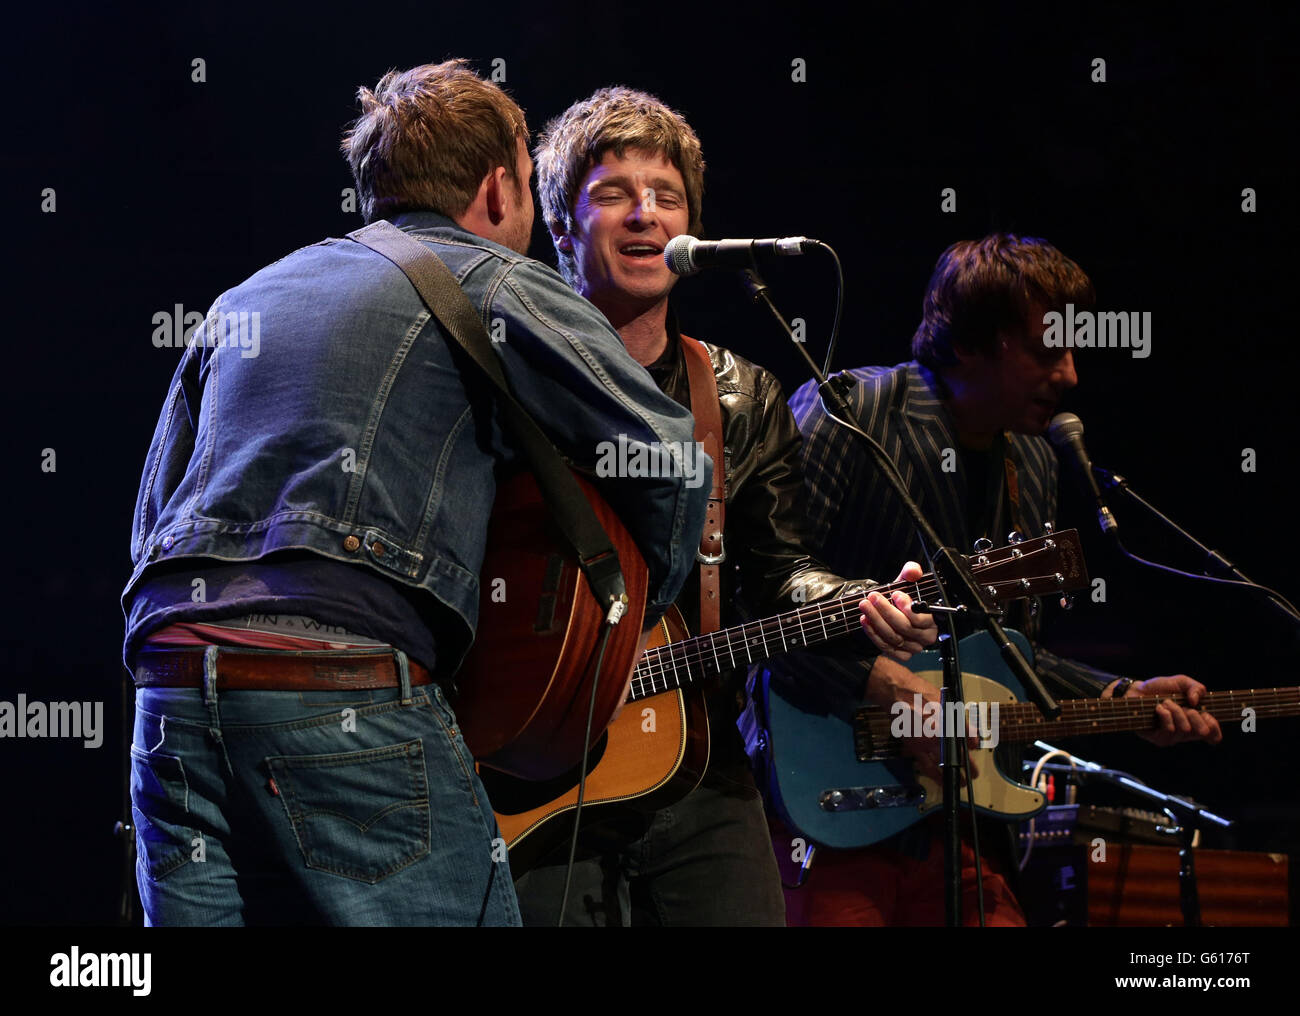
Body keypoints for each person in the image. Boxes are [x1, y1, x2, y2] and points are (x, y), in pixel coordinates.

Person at [120, 61, 710, 926]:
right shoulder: (494, 279)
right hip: (339, 688)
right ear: (504, 185)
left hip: (165, 692)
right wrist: (618, 637)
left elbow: (150, 519)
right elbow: (668, 455)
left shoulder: (248, 295)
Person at [512, 86, 938, 926]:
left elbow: (779, 573)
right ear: (562, 227)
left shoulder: (741, 393)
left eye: (665, 196)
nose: (644, 214)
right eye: (612, 193)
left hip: (702, 768)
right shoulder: (511, 375)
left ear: (692, 234)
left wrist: (857, 604)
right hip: (537, 770)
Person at [760, 233, 1222, 926]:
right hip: (825, 804)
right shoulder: (849, 413)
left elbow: (1006, 651)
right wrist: (880, 685)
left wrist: (1122, 696)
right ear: (971, 343)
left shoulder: (1032, 463)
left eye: (1074, 350)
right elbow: (758, 597)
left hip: (957, 823)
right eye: (1045, 352)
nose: (1070, 375)